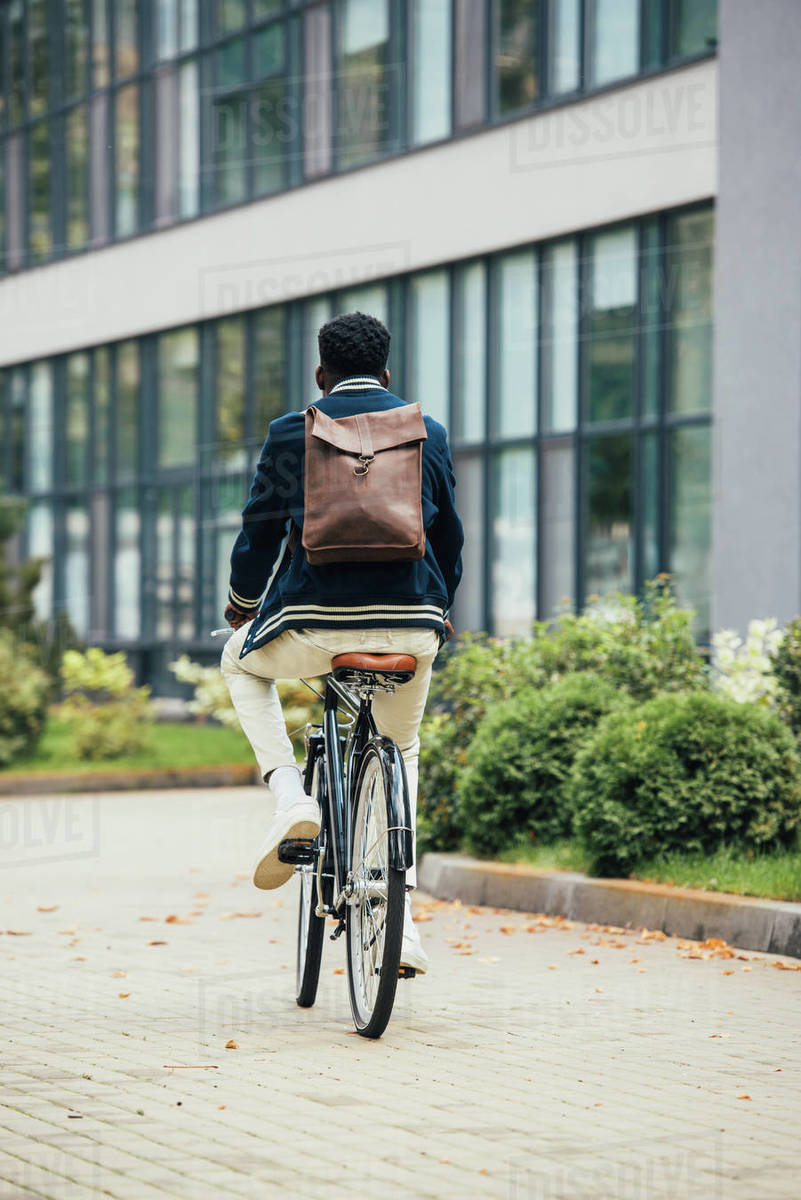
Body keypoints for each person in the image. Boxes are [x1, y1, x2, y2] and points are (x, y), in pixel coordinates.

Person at [220, 311, 463, 974]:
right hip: (410, 626)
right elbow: (449, 543)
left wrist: (243, 607)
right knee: (402, 749)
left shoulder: (289, 433)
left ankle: (291, 797)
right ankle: (403, 929)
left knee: (238, 666)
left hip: (311, 623)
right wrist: (435, 613)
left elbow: (257, 538)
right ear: (386, 374)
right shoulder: (426, 433)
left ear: (320, 374)